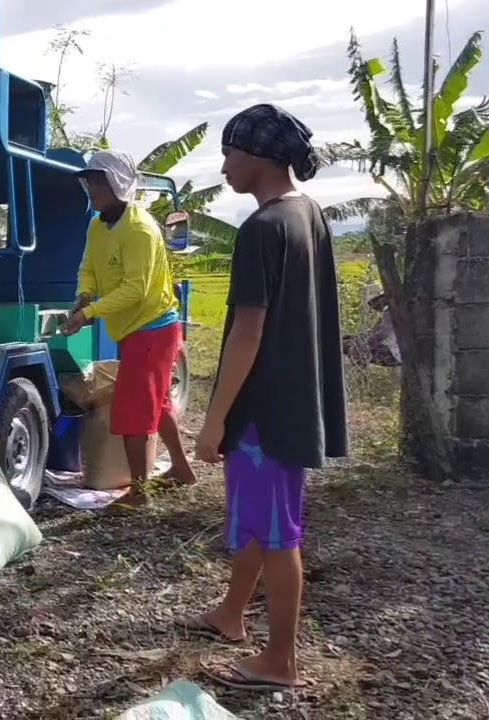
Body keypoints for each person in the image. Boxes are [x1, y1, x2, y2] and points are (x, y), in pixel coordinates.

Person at [182, 104, 348, 692]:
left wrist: (214, 420)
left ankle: (280, 661)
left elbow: (247, 332)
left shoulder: (261, 228)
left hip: (263, 414)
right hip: (295, 402)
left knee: (278, 535)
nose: (224, 166)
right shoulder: (309, 214)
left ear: (257, 156)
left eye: (229, 153)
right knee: (259, 520)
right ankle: (231, 613)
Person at [63, 150, 196, 502]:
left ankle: (140, 492)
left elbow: (135, 289)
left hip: (153, 328)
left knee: (134, 409)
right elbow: (88, 266)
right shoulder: (97, 222)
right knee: (158, 402)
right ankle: (182, 469)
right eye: (88, 180)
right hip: (135, 330)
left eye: (97, 181)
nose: (90, 187)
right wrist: (84, 295)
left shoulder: (139, 229)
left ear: (117, 185)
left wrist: (89, 315)